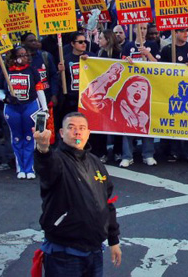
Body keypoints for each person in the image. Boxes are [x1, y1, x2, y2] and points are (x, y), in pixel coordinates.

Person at [33, 112, 122, 275]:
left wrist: (113, 239)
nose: (77, 132)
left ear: (88, 133)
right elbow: (46, 169)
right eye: (71, 128)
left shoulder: (95, 162)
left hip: (94, 251)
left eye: (82, 128)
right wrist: (43, 150)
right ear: (61, 133)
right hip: (64, 254)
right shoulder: (57, 159)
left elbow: (107, 202)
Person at [0, 45, 48, 179]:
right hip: (12, 109)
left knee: (30, 137)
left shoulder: (32, 70)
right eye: (21, 55)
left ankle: (29, 168)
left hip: (30, 106)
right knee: (16, 137)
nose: (25, 57)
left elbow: (39, 89)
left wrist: (44, 108)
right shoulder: (6, 71)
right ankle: (20, 168)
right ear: (14, 58)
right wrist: (6, 98)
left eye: (26, 55)